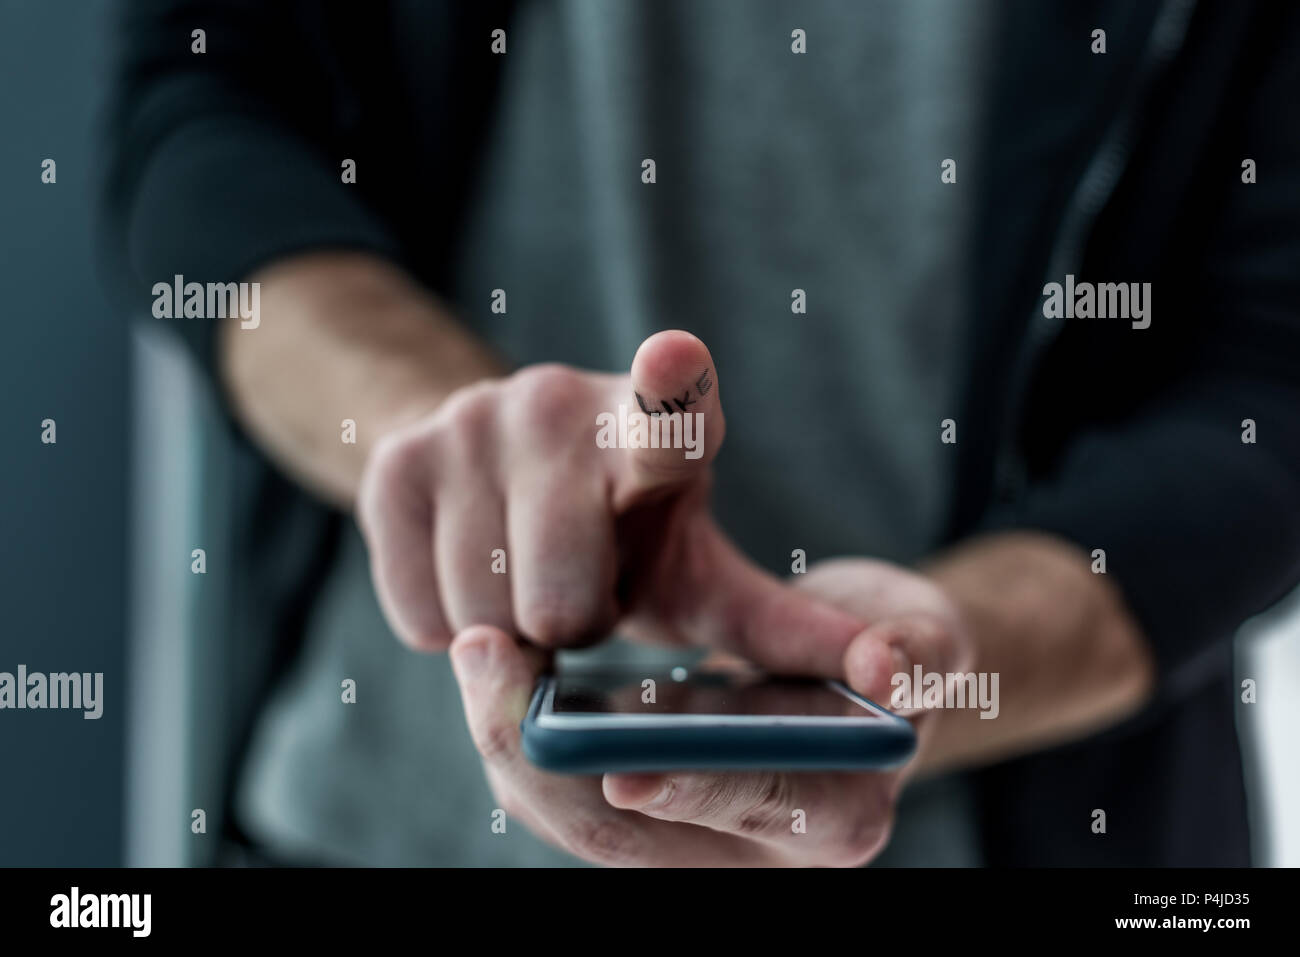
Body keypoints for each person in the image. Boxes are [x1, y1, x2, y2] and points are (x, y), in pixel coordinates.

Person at [102, 0, 1300, 866]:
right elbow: (209, 99)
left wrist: (940, 659)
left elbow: (1268, 383)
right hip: (371, 812)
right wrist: (455, 442)